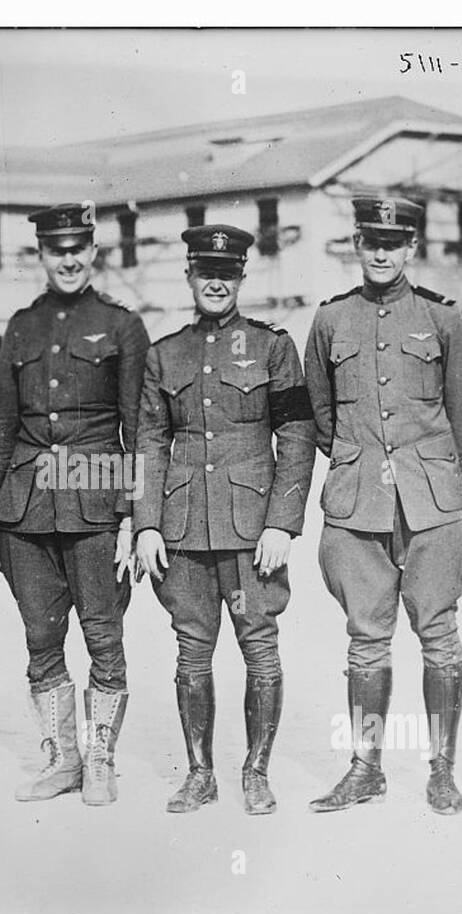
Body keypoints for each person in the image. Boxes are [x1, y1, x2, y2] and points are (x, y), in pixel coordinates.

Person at [301, 197, 462, 815]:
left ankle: (441, 769)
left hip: (431, 507)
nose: (381, 252)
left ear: (411, 248)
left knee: (440, 636)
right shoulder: (330, 321)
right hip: (358, 509)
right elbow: (322, 416)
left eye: (394, 241)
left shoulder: (442, 318)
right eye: (370, 240)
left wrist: (434, 473)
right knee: (365, 640)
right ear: (356, 243)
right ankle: (365, 768)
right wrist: (360, 468)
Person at [135, 225, 313, 815]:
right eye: (205, 272)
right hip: (182, 527)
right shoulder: (164, 354)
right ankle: (199, 773)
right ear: (188, 275)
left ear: (241, 277)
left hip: (252, 525)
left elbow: (296, 434)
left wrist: (282, 523)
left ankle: (256, 771)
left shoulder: (272, 347)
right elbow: (150, 442)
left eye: (228, 273)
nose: (217, 282)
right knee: (191, 650)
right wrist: (146, 525)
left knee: (259, 646)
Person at [0, 202, 150, 805]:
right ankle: (62, 761)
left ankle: (101, 760)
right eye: (58, 250)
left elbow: (140, 428)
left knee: (104, 636)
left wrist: (136, 517)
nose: (69, 258)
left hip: (97, 504)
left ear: (94, 252)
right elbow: (3, 421)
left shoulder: (122, 325)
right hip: (25, 510)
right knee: (39, 637)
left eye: (79, 247)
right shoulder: (21, 327)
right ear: (43, 256)